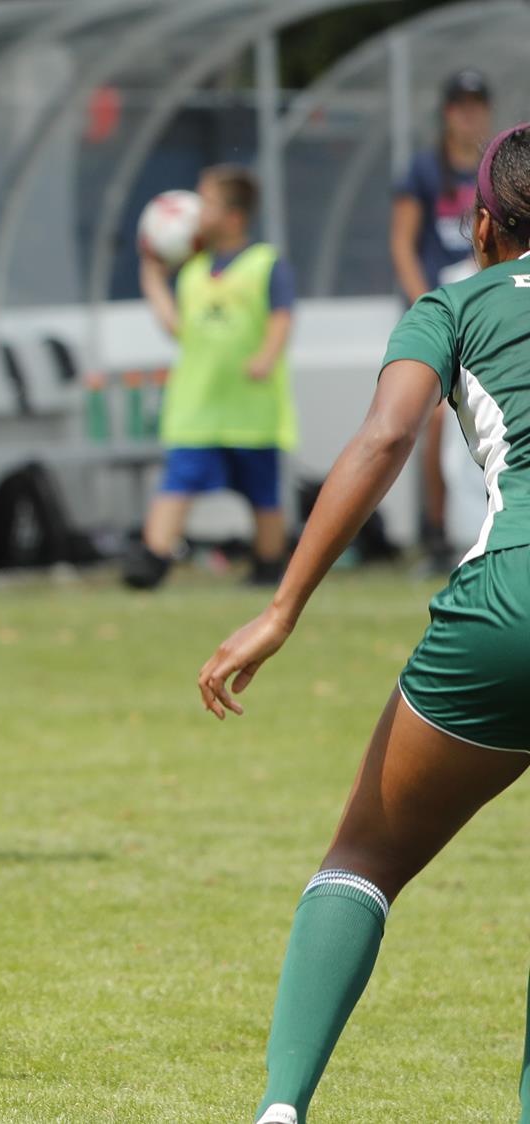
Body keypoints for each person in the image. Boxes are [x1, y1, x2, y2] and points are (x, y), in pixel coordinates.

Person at [199, 122, 530, 1124]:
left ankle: (280, 1109)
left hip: (508, 606)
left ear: (481, 227)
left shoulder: (455, 303)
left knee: (364, 858)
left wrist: (280, 609)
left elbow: (385, 436)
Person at [124, 165, 296, 590]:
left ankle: (269, 563)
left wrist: (266, 356)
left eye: (207, 204)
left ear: (234, 217)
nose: (195, 212)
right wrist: (152, 278)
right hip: (198, 407)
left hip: (250, 408)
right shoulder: (193, 269)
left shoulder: (265, 264)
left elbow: (281, 317)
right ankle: (152, 559)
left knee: (262, 493)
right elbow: (176, 326)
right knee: (178, 482)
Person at [393, 70, 493, 572]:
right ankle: (437, 530)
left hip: (489, 306)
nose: (469, 115)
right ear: (447, 112)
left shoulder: (495, 168)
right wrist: (429, 306)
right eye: (460, 106)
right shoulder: (425, 170)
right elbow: (402, 244)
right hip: (444, 306)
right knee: (436, 418)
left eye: (477, 106)